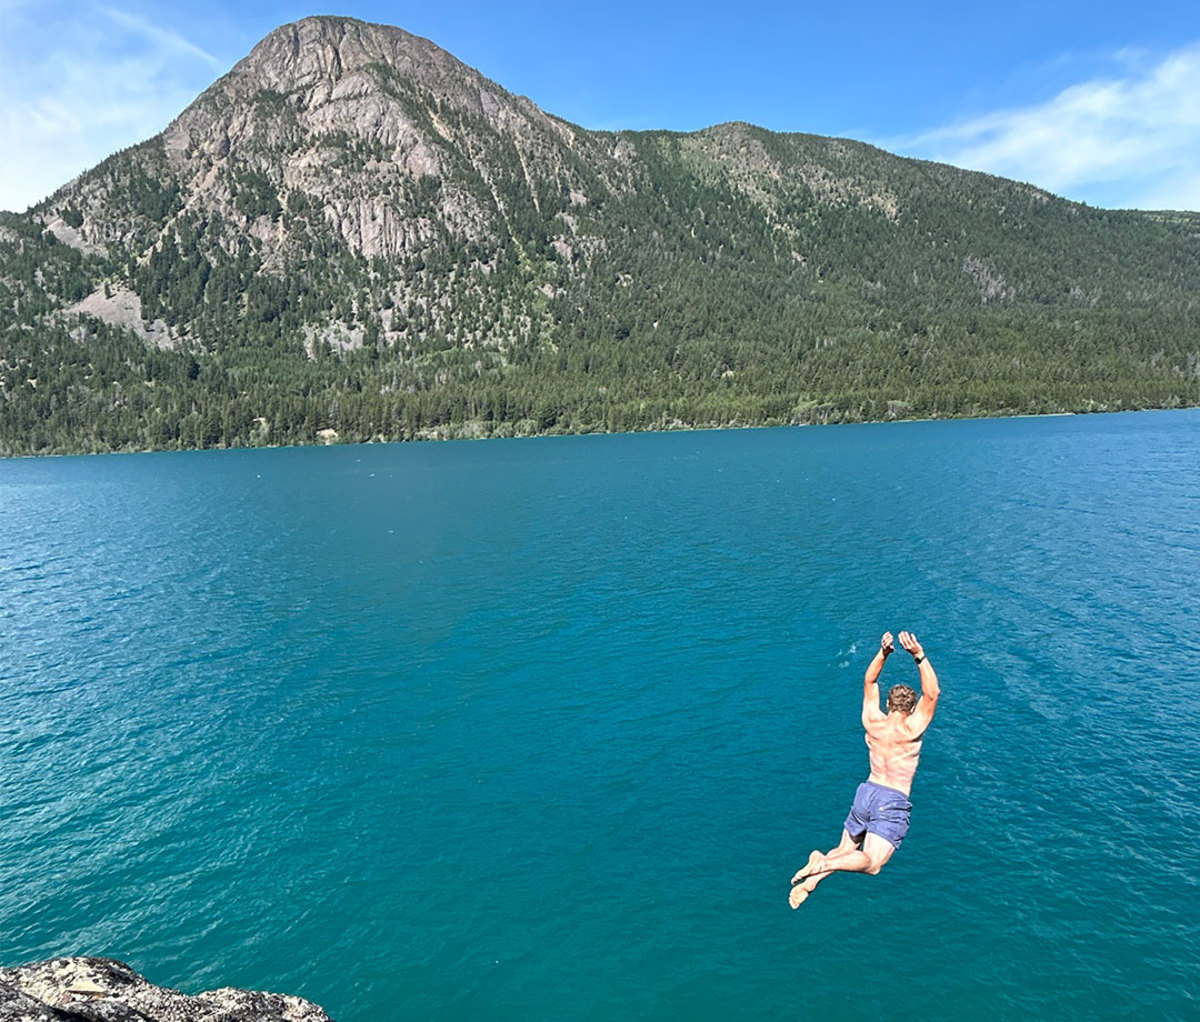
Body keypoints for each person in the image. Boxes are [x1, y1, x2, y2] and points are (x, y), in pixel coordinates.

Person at [789, 630, 939, 908]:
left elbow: (870, 681)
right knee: (872, 864)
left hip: (866, 793)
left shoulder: (872, 720)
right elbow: (933, 693)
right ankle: (821, 861)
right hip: (891, 800)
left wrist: (883, 653)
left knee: (847, 849)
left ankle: (812, 881)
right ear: (913, 707)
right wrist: (919, 656)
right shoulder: (911, 729)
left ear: (887, 704)